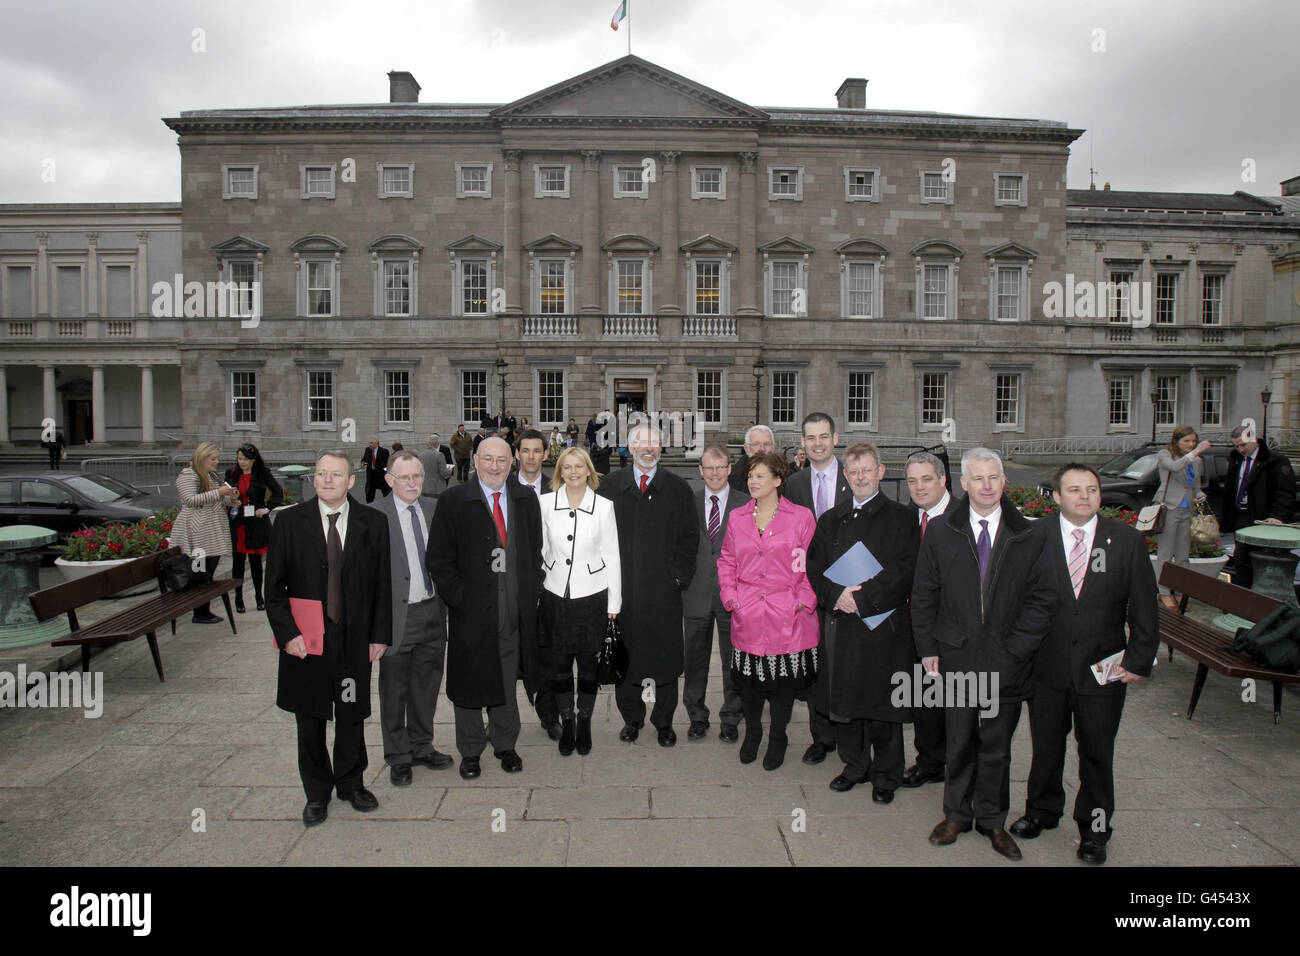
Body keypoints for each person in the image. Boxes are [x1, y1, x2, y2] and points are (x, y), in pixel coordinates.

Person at [1010, 463, 1158, 865]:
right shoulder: (1033, 537)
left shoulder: (1125, 541)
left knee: (1096, 751)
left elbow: (1144, 605)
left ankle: (1095, 829)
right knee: (1046, 747)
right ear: (1056, 497)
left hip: (1103, 670)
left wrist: (1138, 657)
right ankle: (1042, 810)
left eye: (1091, 489)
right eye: (1074, 490)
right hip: (1046, 668)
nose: (1085, 497)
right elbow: (1017, 601)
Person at [911, 447, 1054, 861]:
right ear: (963, 483)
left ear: (1004, 480)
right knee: (958, 741)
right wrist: (928, 649)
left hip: (1007, 660)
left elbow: (1042, 600)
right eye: (978, 478)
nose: (987, 486)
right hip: (956, 655)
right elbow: (924, 594)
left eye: (994, 477)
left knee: (996, 746)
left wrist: (1016, 649)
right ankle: (956, 814)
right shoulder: (942, 532)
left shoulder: (1029, 534)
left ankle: (991, 819)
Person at [265, 450, 391, 827]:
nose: (328, 480)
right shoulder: (288, 522)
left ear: (351, 480)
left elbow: (382, 586)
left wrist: (379, 636)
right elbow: (273, 590)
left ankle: (352, 784)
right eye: (321, 474)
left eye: (336, 474)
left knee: (351, 714)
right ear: (314, 479)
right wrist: (288, 635)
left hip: (353, 642)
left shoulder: (373, 522)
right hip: (307, 645)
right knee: (311, 719)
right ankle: (316, 793)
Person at [426, 436, 544, 779]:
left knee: (507, 680)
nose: (495, 466)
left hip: (511, 610)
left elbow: (535, 552)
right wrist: (460, 600)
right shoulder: (453, 501)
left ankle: (505, 744)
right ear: (475, 460)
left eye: (502, 460)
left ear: (513, 463)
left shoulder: (524, 500)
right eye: (488, 459)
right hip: (471, 613)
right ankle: (471, 750)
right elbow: (439, 560)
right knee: (469, 683)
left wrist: (530, 590)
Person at [807, 442, 919, 801]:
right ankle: (854, 765)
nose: (860, 478)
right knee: (848, 700)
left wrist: (863, 598)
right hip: (842, 623)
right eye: (853, 472)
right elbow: (815, 566)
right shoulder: (831, 519)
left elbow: (905, 568)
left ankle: (887, 775)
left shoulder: (902, 517)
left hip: (883, 625)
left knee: (883, 704)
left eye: (866, 470)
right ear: (846, 476)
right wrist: (834, 595)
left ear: (881, 472)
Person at [597, 422, 699, 747]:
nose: (648, 449)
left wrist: (677, 576)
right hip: (623, 592)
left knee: (665, 658)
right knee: (626, 658)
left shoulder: (678, 489)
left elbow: (688, 538)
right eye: (641, 443)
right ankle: (632, 718)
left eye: (654, 443)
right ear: (629, 448)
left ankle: (664, 722)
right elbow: (597, 538)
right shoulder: (610, 487)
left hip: (663, 593)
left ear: (661, 448)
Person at [717, 452, 818, 769]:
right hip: (747, 610)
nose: (752, 481)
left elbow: (810, 565)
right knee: (748, 685)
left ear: (778, 480)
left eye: (760, 475)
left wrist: (801, 600)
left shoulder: (800, 517)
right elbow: (727, 560)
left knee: (782, 686)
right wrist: (731, 596)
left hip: (786, 612)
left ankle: (778, 736)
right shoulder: (737, 517)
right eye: (750, 476)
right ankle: (754, 733)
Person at [372, 451, 453, 787]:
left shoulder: (434, 510)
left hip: (432, 612)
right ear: (389, 480)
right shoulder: (375, 516)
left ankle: (421, 745)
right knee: (394, 689)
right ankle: (398, 755)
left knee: (426, 684)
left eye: (417, 476)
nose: (412, 483)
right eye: (404, 477)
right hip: (396, 617)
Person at [540, 446, 621, 756]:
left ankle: (585, 718)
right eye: (567, 467)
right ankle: (567, 719)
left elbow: (612, 555)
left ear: (589, 471)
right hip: (556, 594)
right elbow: (541, 548)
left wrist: (615, 602)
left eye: (579, 466)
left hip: (592, 595)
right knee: (559, 665)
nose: (573, 472)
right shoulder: (545, 503)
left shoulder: (603, 507)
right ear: (560, 472)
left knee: (588, 664)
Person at [783, 412, 852, 765]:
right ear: (804, 443)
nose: (818, 444)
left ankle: (851, 735)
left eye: (824, 436)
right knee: (816, 665)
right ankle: (821, 736)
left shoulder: (853, 476)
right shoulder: (795, 485)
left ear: (835, 438)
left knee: (850, 663)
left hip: (851, 586)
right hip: (809, 589)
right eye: (811, 438)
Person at [682, 443, 750, 742]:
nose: (714, 473)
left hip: (733, 595)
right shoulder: (690, 502)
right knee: (694, 659)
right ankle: (696, 716)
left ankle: (731, 717)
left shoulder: (746, 504)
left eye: (720, 467)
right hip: (696, 593)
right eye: (708, 468)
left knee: (733, 658)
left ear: (729, 469)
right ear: (700, 471)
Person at [900, 451, 953, 789]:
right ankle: (930, 761)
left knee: (960, 704)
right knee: (924, 699)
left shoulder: (965, 516)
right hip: (915, 628)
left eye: (927, 479)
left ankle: (963, 768)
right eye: (912, 481)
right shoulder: (906, 518)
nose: (919, 487)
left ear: (943, 480)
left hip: (955, 631)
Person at [516, 429, 560, 740]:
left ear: (545, 455)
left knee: (548, 654)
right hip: (512, 585)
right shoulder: (501, 489)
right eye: (525, 451)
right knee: (508, 655)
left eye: (537, 451)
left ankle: (550, 716)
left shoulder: (557, 488)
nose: (531, 457)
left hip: (550, 586)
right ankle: (503, 720)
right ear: (517, 454)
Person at [1220, 423, 1296, 588]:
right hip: (1241, 516)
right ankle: (1243, 597)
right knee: (1241, 560)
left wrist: (1277, 516)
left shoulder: (1275, 460)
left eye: (1243, 445)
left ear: (1254, 440)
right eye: (1236, 446)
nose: (1240, 449)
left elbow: (1285, 492)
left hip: (1264, 518)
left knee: (1264, 560)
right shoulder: (1236, 459)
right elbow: (1230, 489)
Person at [172, 441, 238, 624]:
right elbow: (190, 500)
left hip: (211, 528)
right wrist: (219, 493)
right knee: (200, 569)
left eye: (217, 458)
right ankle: (200, 611)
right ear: (202, 457)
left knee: (209, 568)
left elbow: (215, 500)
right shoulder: (188, 475)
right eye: (213, 458)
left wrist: (230, 499)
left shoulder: (210, 475)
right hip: (197, 529)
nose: (216, 462)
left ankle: (203, 609)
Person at [1154, 427, 1211, 610]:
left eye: (1193, 441)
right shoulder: (1166, 454)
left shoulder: (1197, 461)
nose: (1191, 445)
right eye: (1186, 441)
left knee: (1182, 555)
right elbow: (1174, 467)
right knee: (1165, 553)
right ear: (1176, 441)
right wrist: (1196, 452)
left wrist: (1200, 494)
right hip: (1168, 508)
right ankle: (1163, 592)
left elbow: (1195, 486)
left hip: (1187, 510)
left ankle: (1180, 592)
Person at [224, 443, 283, 613]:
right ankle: (238, 598)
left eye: (245, 459)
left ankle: (259, 595)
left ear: (253, 459)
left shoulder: (262, 473)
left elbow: (277, 492)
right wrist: (232, 500)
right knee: (238, 561)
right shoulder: (232, 473)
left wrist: (267, 508)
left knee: (256, 562)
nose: (241, 462)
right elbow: (224, 495)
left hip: (256, 523)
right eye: (239, 458)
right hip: (239, 521)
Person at [729, 424, 776, 494]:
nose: (762, 449)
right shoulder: (734, 479)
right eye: (756, 444)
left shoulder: (786, 475)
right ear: (746, 448)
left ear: (774, 447)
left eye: (767, 444)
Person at [419, 434, 454, 498]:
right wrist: (450, 469)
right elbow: (444, 473)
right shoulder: (439, 455)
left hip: (424, 486)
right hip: (436, 487)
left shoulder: (421, 455)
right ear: (438, 443)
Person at [361, 438, 390, 503]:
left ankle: (388, 504)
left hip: (381, 475)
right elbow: (364, 459)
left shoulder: (384, 451)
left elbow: (388, 463)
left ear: (377, 443)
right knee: (369, 492)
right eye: (369, 443)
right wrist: (363, 462)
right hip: (371, 475)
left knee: (385, 491)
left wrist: (386, 472)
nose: (369, 445)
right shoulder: (367, 450)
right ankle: (369, 506)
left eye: (371, 443)